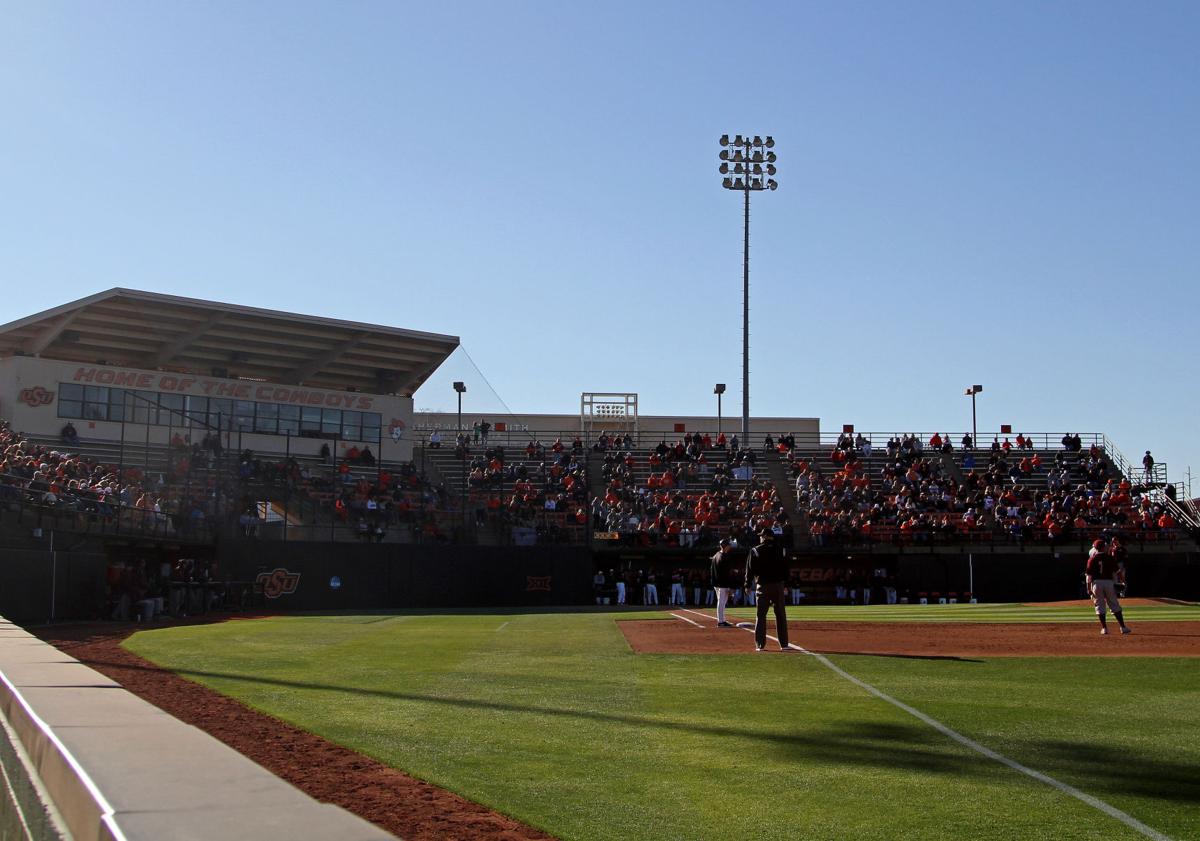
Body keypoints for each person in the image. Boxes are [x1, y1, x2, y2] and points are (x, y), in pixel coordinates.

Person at [744, 527, 790, 651]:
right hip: (778, 586)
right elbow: (786, 569)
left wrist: (747, 585)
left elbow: (749, 569)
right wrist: (786, 585)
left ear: (764, 537)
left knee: (761, 616)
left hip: (762, 586)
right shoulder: (782, 550)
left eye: (761, 535)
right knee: (780, 615)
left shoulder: (755, 550)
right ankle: (784, 644)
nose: (760, 537)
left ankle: (760, 645)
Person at [1086, 538, 1130, 636]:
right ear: (1104, 547)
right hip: (1108, 583)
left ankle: (1104, 628)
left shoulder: (1092, 559)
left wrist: (1088, 588)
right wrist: (1123, 581)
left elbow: (1089, 576)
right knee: (1114, 604)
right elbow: (1118, 572)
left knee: (1099, 606)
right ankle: (1123, 627)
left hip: (1096, 584)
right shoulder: (1109, 558)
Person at [710, 537, 737, 627]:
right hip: (722, 583)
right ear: (725, 546)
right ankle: (721, 621)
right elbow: (727, 573)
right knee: (722, 602)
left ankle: (722, 620)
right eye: (728, 545)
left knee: (721, 602)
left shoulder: (716, 555)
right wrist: (731, 587)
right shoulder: (724, 557)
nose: (730, 546)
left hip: (717, 583)